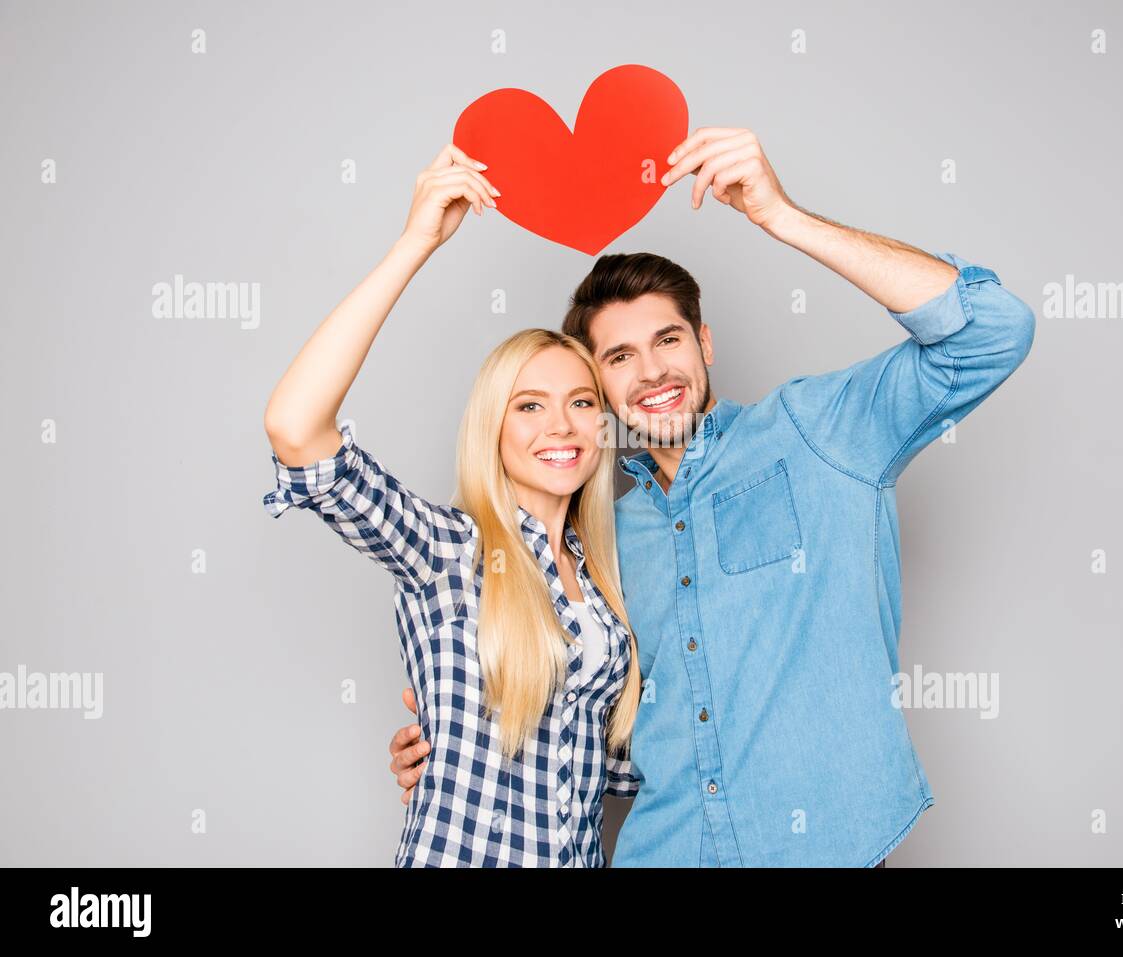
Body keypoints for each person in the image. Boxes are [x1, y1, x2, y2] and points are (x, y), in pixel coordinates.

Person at [389, 126, 1037, 866]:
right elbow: (577, 711)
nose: (653, 371)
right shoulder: (599, 533)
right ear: (597, 388)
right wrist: (452, 747)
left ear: (706, 343)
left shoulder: (819, 433)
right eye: (620, 356)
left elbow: (992, 331)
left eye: (668, 340)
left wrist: (780, 215)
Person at [262, 143, 641, 867]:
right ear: (492, 429)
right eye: (529, 405)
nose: (560, 426)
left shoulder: (606, 588)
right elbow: (296, 426)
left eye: (581, 403)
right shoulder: (449, 550)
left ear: (603, 424)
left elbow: (638, 766)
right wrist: (416, 243)